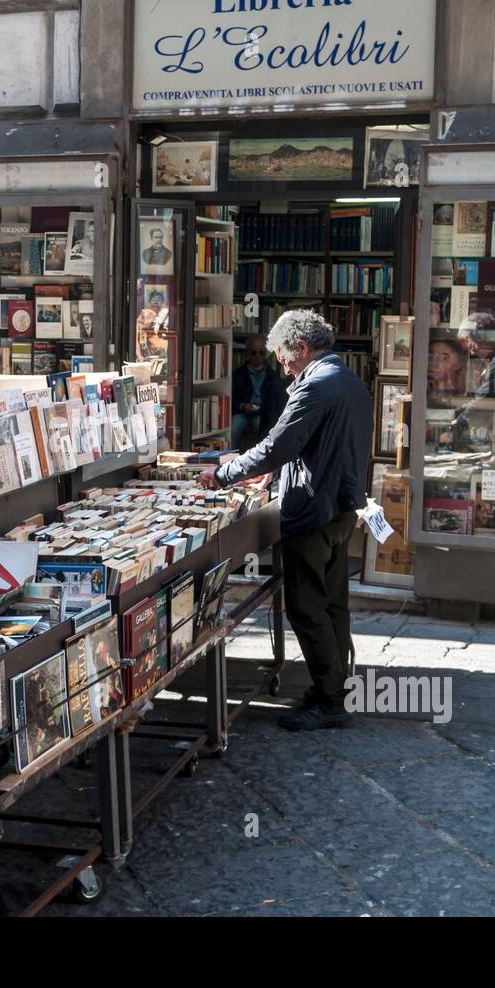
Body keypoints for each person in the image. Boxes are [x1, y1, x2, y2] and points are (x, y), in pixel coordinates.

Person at [199, 309, 373, 731]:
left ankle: (331, 700)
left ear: (301, 347)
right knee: (333, 603)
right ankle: (336, 685)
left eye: (283, 356)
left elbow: (278, 446)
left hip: (313, 510)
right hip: (340, 506)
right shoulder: (349, 380)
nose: (281, 365)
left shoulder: (315, 386)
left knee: (306, 605)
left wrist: (223, 474)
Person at [231, 334, 288, 451]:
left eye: (261, 353)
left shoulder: (273, 377)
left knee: (264, 430)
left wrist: (261, 409)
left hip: (262, 414)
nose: (257, 356)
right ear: (247, 353)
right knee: (233, 429)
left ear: (265, 355)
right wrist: (242, 406)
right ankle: (229, 460)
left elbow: (276, 404)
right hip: (241, 412)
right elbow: (230, 399)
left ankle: (262, 462)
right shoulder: (238, 374)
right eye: (253, 352)